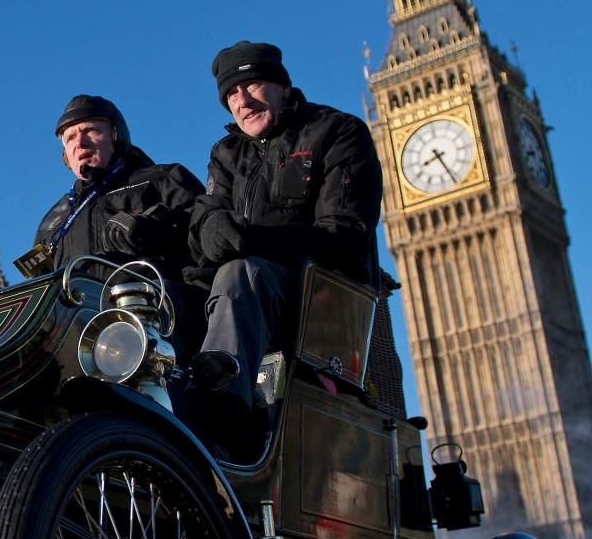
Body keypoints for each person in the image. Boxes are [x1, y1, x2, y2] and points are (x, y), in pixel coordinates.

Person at [186, 41, 383, 435]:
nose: (241, 101)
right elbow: (205, 216)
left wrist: (251, 240)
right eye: (230, 95)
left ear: (282, 86)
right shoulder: (226, 153)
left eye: (251, 85)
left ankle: (219, 417)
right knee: (165, 300)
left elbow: (344, 235)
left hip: (317, 295)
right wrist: (210, 231)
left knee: (243, 274)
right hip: (238, 293)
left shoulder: (337, 131)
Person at [32, 94, 207, 351]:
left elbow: (206, 234)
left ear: (116, 136)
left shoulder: (162, 180)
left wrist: (156, 230)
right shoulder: (54, 221)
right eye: (69, 138)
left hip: (152, 324)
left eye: (90, 130)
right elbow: (42, 287)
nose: (79, 142)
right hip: (78, 336)